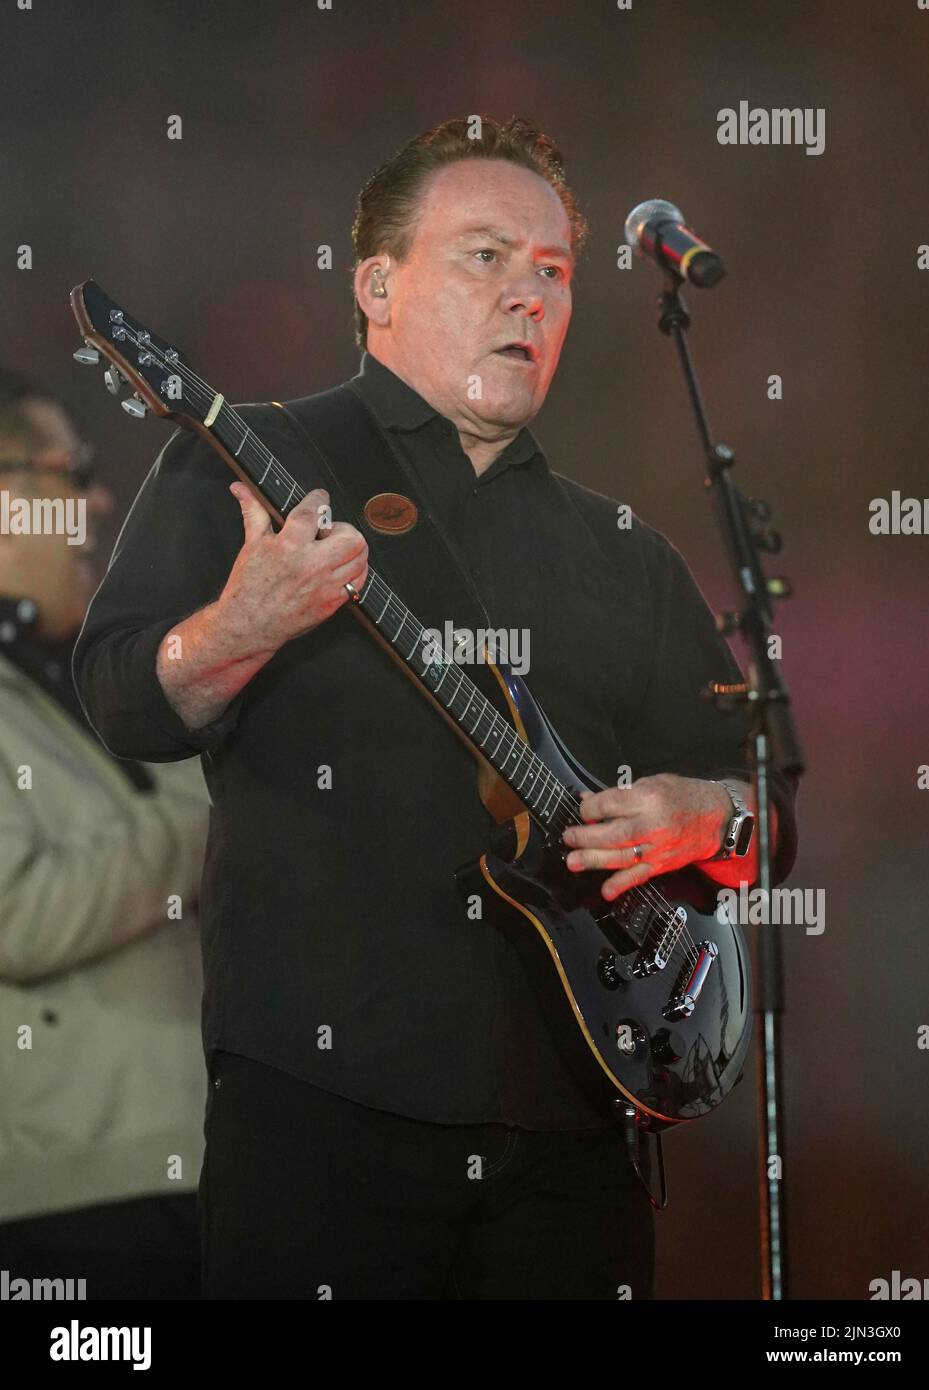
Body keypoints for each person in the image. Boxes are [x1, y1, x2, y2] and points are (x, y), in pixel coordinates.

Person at [73, 116, 798, 1300]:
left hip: (581, 1130)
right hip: (326, 1115)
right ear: (375, 284)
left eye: (555, 272)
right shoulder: (253, 459)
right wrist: (246, 622)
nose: (531, 296)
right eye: (485, 257)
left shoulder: (625, 550)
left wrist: (706, 812)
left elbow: (771, 807)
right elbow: (124, 701)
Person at [0, 369, 209, 1298]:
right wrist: (212, 819)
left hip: (185, 1167)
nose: (97, 498)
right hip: (75, 1206)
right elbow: (22, 915)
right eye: (67, 471)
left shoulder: (75, 672)